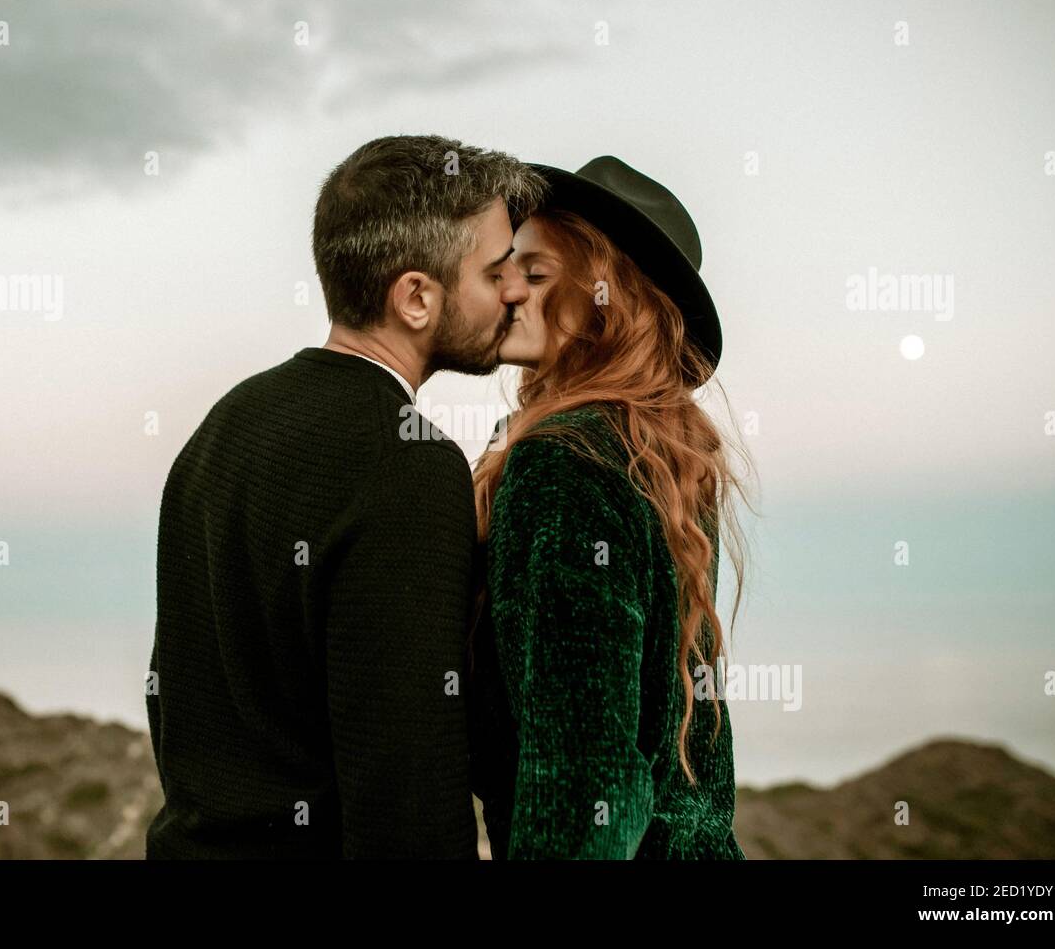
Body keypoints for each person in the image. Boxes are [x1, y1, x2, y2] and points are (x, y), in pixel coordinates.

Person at [145, 135, 546, 858]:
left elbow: (168, 696)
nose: (516, 290)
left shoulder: (224, 426)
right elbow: (409, 800)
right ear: (416, 297)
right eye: (496, 271)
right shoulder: (408, 466)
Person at [468, 156, 753, 859]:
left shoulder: (565, 461)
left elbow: (585, 785)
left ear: (604, 300)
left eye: (534, 274)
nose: (504, 289)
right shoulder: (666, 458)